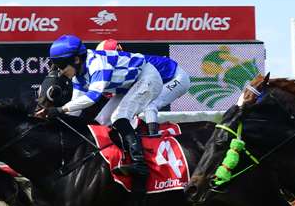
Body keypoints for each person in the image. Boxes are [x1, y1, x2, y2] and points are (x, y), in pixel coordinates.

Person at [37, 35, 185, 190]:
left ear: (76, 60)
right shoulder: (78, 75)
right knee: (101, 122)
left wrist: (59, 110)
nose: (60, 72)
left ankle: (139, 164)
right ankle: (112, 158)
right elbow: (76, 110)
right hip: (127, 85)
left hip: (148, 78)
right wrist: (52, 120)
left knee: (119, 117)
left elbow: (92, 97)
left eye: (62, 66)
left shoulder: (97, 64)